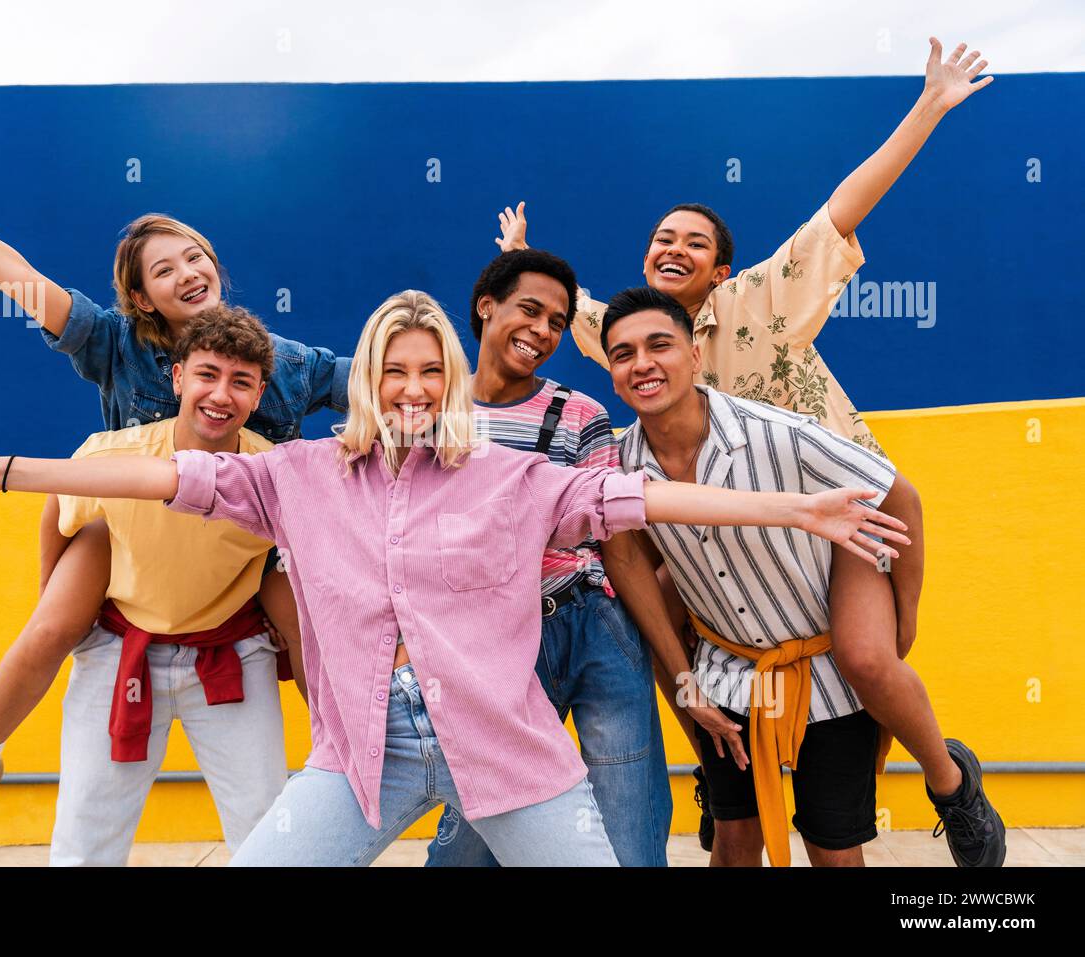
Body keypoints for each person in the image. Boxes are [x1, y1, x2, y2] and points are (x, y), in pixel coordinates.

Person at [0, 290, 909, 867]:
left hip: (504, 752)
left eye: (429, 371)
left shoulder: (513, 478)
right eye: (394, 370)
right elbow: (160, 475)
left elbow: (641, 507)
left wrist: (796, 507)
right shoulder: (295, 477)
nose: (412, 388)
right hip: (363, 755)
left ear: (447, 382)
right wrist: (7, 473)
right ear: (369, 381)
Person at [494, 38, 992, 856]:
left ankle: (952, 784)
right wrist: (517, 260)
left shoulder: (763, 298)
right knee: (639, 600)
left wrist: (929, 106)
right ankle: (717, 761)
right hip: (723, 531)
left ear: (722, 268)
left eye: (694, 240)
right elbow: (569, 305)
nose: (673, 247)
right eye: (662, 237)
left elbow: (844, 208)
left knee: (866, 661)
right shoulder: (638, 338)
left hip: (831, 517)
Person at [0, 124, 348, 858]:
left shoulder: (278, 361)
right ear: (141, 297)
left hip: (236, 547)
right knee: (52, 625)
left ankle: (353, 758)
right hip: (129, 531)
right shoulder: (115, 344)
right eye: (164, 268)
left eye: (195, 256)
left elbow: (379, 379)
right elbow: (13, 275)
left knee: (306, 622)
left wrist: (473, 387)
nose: (186, 271)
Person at [601, 285, 1005, 867]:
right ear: (612, 372)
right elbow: (638, 571)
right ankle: (717, 793)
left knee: (832, 850)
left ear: (693, 355)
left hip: (828, 678)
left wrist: (904, 614)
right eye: (623, 353)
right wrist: (688, 686)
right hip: (727, 674)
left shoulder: (780, 434)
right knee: (737, 842)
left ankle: (953, 786)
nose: (642, 363)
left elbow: (900, 497)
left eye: (659, 345)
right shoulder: (619, 469)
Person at [424, 248, 690, 867]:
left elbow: (619, 548)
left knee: (629, 829)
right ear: (485, 307)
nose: (542, 331)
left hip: (597, 624)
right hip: (496, 646)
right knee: (471, 836)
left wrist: (680, 672)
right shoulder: (432, 416)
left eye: (557, 320)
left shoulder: (580, 414)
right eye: (530, 311)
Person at [53, 305, 288, 864]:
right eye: (207, 374)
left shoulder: (276, 473)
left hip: (231, 652)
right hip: (120, 647)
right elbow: (56, 513)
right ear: (178, 377)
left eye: (241, 382)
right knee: (85, 834)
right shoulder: (111, 455)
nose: (222, 394)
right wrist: (60, 618)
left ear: (258, 397)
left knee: (271, 829)